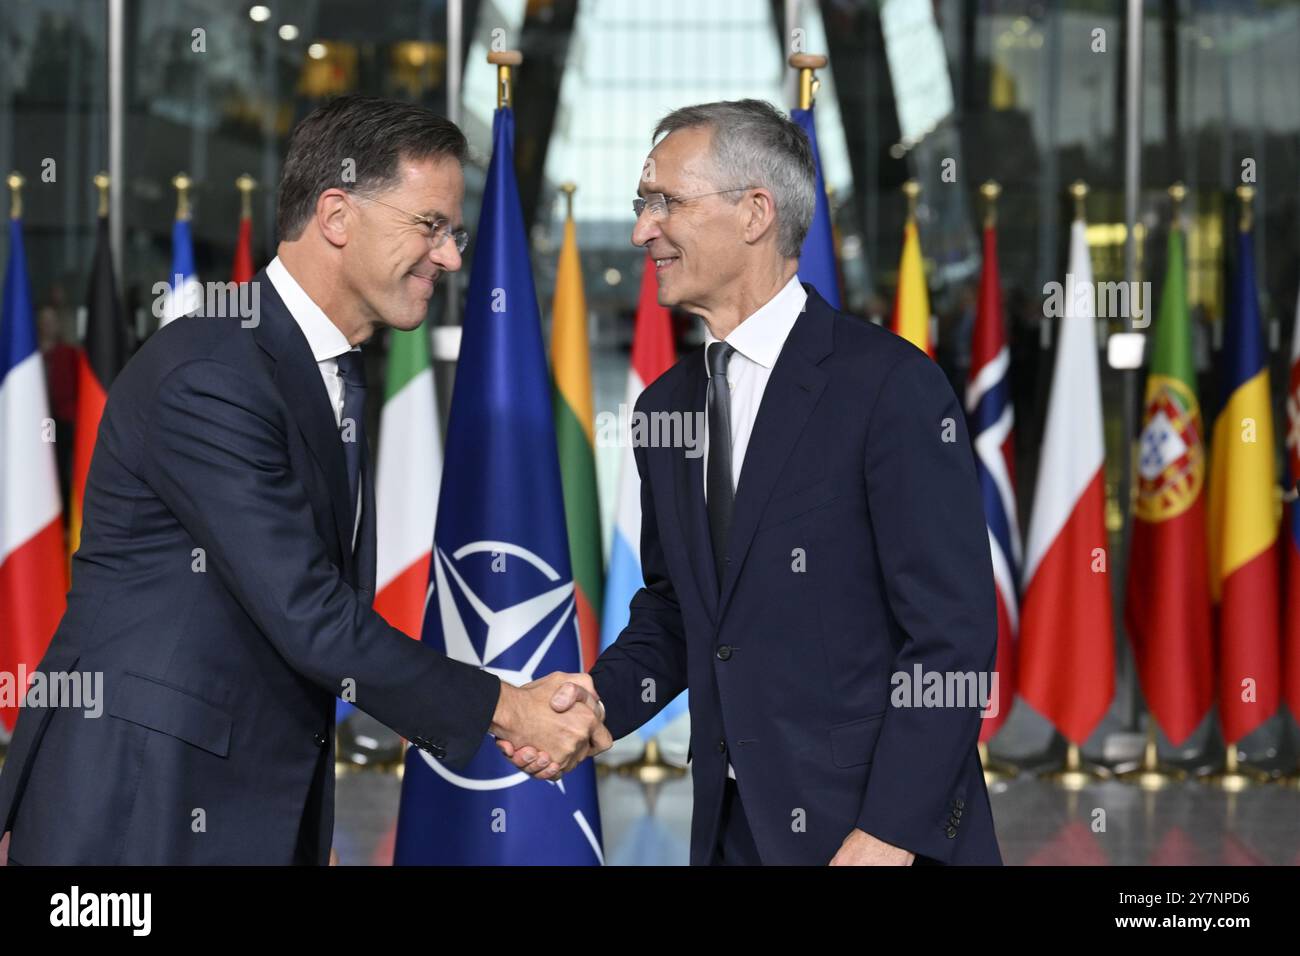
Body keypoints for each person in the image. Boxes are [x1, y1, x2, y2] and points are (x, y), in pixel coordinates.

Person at [0, 95, 609, 865]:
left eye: (455, 233)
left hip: (248, 800)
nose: (452, 256)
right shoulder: (212, 372)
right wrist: (506, 707)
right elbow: (310, 614)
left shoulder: (323, 372)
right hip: (142, 809)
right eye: (431, 226)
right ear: (337, 214)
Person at [501, 99, 1001, 866]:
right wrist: (600, 701)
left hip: (875, 839)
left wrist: (891, 832)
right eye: (642, 206)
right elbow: (678, 611)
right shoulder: (665, 407)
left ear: (755, 212)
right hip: (730, 832)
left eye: (665, 202)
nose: (643, 230)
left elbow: (952, 640)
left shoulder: (890, 387)